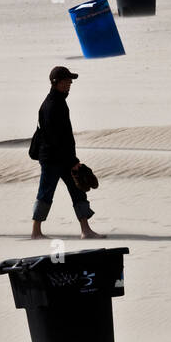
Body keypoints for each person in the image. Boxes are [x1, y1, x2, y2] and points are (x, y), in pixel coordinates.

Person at [31, 66, 104, 240]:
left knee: (78, 191)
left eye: (70, 81)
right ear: (56, 83)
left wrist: (71, 160)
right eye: (67, 81)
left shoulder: (58, 101)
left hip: (62, 158)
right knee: (45, 193)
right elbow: (56, 138)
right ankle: (36, 231)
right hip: (52, 159)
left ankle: (86, 230)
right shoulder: (52, 105)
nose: (70, 83)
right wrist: (73, 161)